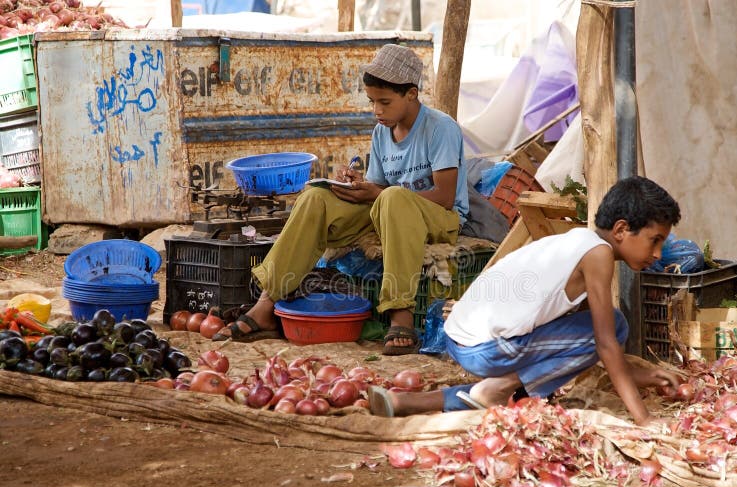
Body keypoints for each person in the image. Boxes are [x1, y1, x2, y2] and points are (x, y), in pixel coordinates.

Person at [213, 44, 470, 356]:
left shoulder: (439, 128)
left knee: (393, 198)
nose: (377, 110)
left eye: (385, 102)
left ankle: (399, 312)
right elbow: (378, 187)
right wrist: (355, 184)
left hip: (438, 218)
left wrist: (377, 193)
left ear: (412, 94)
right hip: (390, 209)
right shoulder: (381, 132)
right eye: (373, 102)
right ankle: (265, 305)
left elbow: (444, 196)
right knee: (316, 197)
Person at [368, 176, 682, 426]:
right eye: (655, 240)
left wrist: (641, 376)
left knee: (599, 331)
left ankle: (404, 402)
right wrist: (644, 419)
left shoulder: (576, 241)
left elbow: (576, 340)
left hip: (463, 339)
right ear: (622, 230)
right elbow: (603, 343)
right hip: (486, 348)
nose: (657, 254)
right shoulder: (597, 255)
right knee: (615, 325)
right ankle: (499, 388)